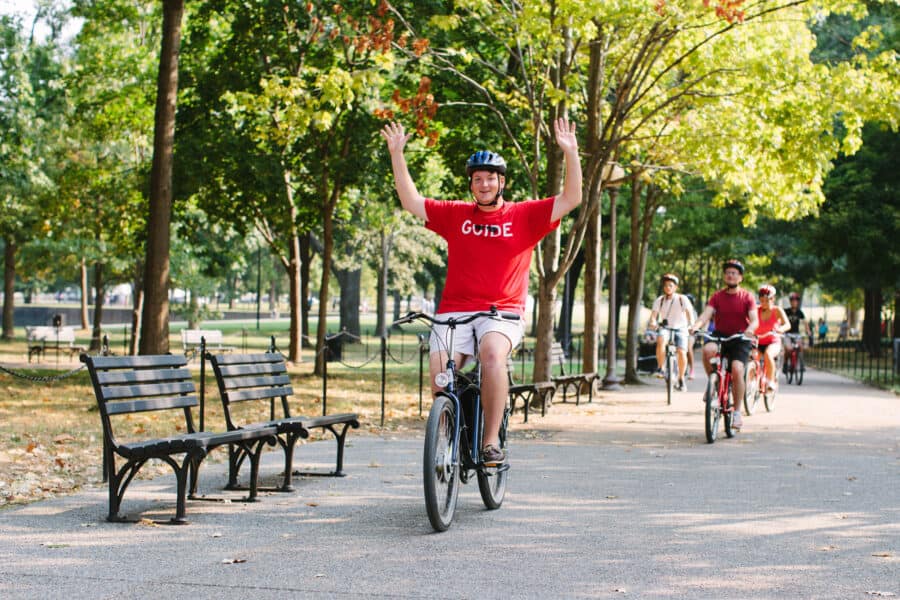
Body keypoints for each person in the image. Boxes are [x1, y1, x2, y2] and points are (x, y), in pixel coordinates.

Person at [381, 116, 583, 465]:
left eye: (490, 178)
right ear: (471, 185)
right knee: (441, 376)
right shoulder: (457, 215)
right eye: (478, 179)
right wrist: (397, 153)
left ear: (501, 182)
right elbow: (411, 201)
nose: (484, 184)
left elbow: (572, 197)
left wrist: (571, 152)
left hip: (500, 313)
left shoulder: (523, 216)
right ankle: (448, 433)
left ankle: (490, 442)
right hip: (453, 311)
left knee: (491, 355)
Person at [690, 259, 758, 431]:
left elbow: (755, 320)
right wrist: (695, 326)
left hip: (740, 337)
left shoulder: (747, 297)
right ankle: (713, 383)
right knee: (707, 350)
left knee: (737, 369)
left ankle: (737, 412)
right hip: (720, 335)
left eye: (734, 273)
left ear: (740, 277)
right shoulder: (717, 296)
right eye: (728, 272)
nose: (730, 275)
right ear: (724, 276)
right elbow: (706, 315)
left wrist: (749, 330)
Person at [647, 273, 695, 391]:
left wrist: (691, 325)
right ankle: (661, 367)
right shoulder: (660, 300)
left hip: (681, 328)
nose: (668, 287)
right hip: (666, 328)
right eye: (665, 285)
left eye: (670, 285)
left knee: (682, 351)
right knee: (661, 339)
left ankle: (681, 377)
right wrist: (653, 322)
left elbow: (689, 314)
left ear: (675, 287)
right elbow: (653, 316)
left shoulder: (682, 299)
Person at [755, 285, 790, 392]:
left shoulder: (777, 310)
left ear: (773, 299)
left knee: (768, 354)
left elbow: (787, 324)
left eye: (767, 300)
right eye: (762, 300)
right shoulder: (756, 310)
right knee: (752, 358)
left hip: (772, 341)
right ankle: (752, 381)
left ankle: (771, 381)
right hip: (758, 341)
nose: (764, 303)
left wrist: (780, 329)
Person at [684, 293, 698, 380]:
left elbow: (695, 324)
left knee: (688, 348)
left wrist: (692, 329)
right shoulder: (680, 310)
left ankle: (692, 370)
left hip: (690, 334)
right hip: (681, 332)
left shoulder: (693, 312)